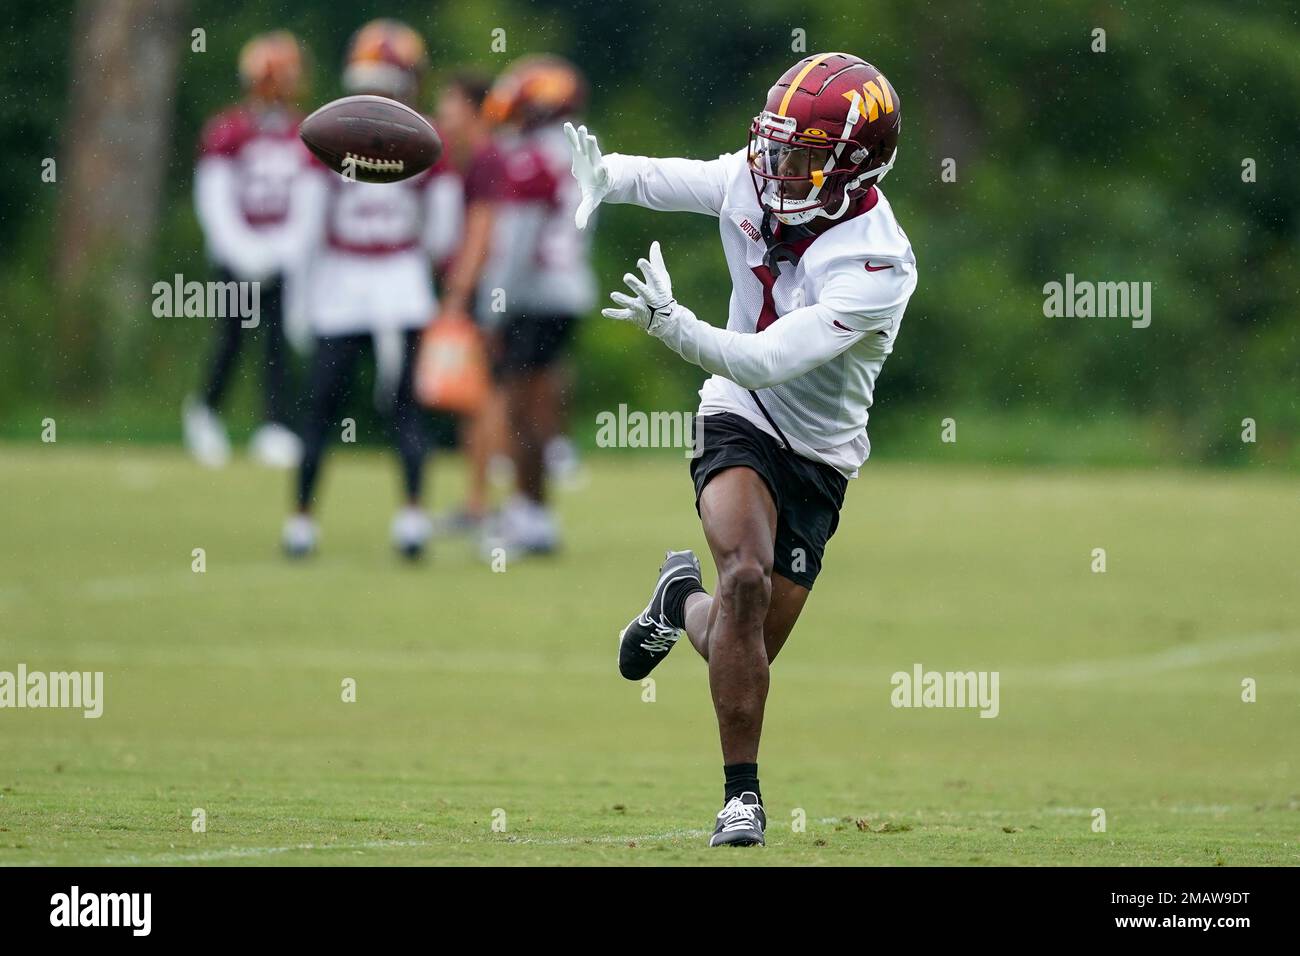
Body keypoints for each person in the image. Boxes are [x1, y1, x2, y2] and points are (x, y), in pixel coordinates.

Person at [567, 53, 916, 846]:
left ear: (854, 168)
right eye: (775, 145)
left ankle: (674, 606)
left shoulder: (878, 261)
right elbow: (669, 179)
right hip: (737, 413)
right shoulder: (756, 178)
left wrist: (677, 328)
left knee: (740, 635)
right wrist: (602, 175)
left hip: (821, 454)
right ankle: (742, 799)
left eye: (802, 156)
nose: (776, 167)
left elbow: (769, 356)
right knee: (747, 577)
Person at [279, 19, 461, 559]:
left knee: (322, 406)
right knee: (404, 406)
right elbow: (442, 233)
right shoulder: (427, 141)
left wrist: (300, 292)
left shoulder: (331, 133)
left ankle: (302, 522)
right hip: (399, 281)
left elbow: (307, 226)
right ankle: (411, 519)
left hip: (343, 281)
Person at [478, 55, 595, 556]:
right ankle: (535, 511)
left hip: (535, 293)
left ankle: (529, 514)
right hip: (568, 288)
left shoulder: (531, 160)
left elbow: (520, 247)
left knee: (522, 410)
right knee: (539, 401)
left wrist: (491, 309)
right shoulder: (575, 152)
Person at [185, 31, 306, 469]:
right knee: (231, 336)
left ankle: (275, 425)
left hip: (282, 250)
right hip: (238, 254)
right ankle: (205, 413)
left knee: (277, 339)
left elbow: (310, 198)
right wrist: (241, 248)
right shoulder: (229, 129)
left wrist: (288, 247)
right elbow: (214, 199)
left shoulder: (301, 130)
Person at [428, 70, 509, 537]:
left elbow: (481, 233)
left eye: (451, 103)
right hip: (485, 290)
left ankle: (483, 501)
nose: (442, 114)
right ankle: (478, 497)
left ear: (475, 108)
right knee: (473, 395)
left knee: (482, 395)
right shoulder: (471, 157)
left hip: (485, 292)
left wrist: (457, 296)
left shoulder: (484, 157)